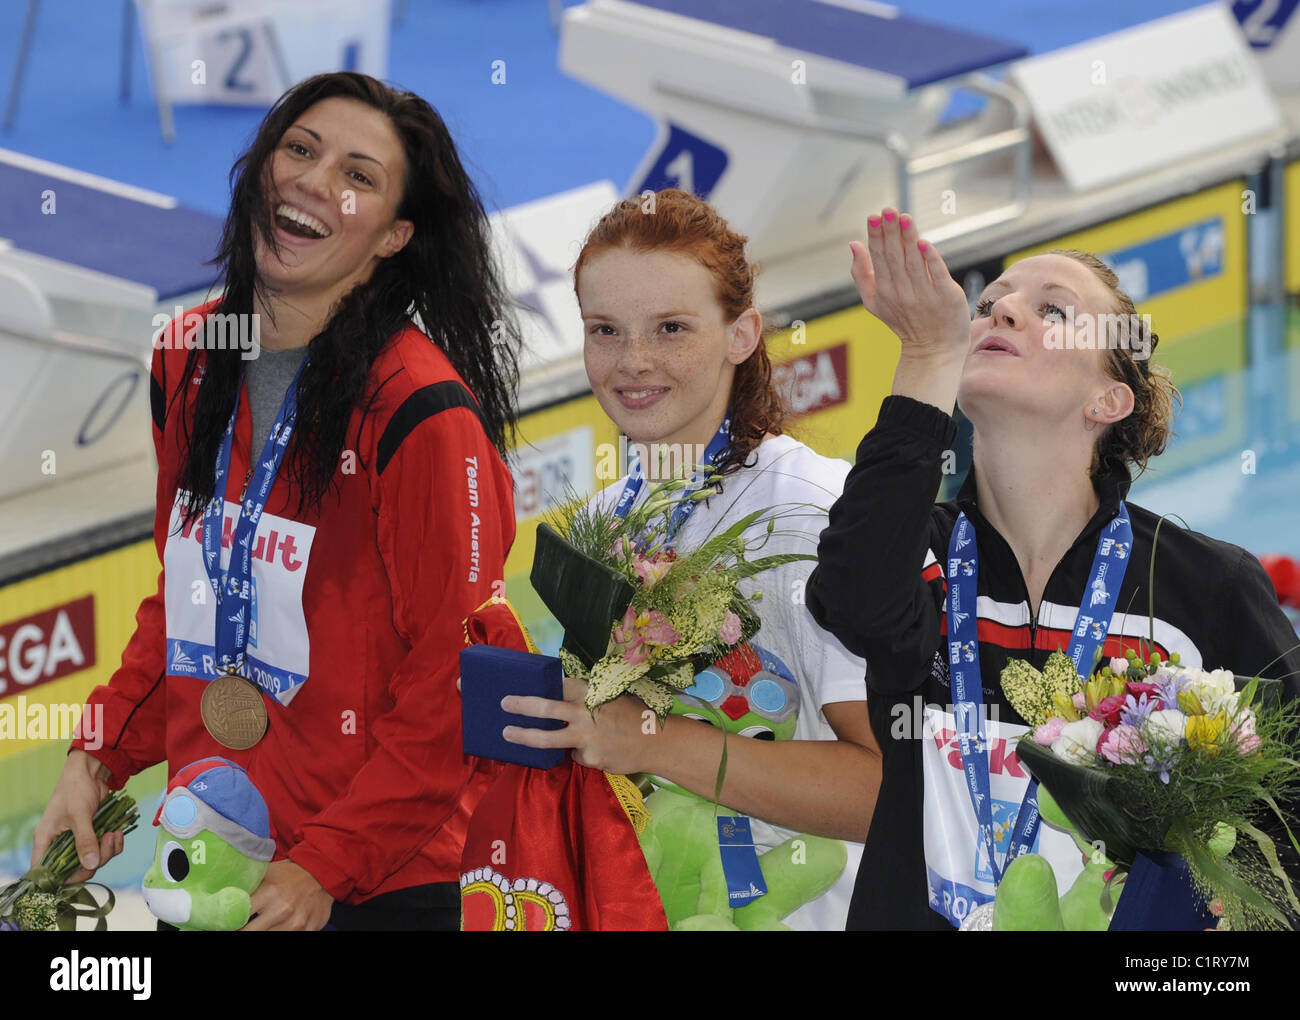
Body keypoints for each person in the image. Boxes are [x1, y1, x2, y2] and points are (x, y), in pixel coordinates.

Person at [32, 72, 521, 931]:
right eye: (299, 149)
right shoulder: (188, 359)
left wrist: (326, 867)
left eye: (359, 176)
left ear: (395, 237)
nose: (313, 180)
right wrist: (97, 756)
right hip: (220, 843)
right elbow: (188, 590)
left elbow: (451, 683)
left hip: (384, 874)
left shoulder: (420, 415)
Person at [805, 207, 1300, 930]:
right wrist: (925, 358)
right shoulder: (922, 554)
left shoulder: (1205, 587)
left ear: (1109, 400)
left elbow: (1287, 809)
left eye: (1052, 310)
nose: (1002, 308)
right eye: (987, 306)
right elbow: (849, 599)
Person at [502, 188, 880, 930]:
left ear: (742, 335)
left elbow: (886, 790)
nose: (632, 361)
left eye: (670, 328)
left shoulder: (818, 514)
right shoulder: (611, 519)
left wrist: (651, 740)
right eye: (605, 329)